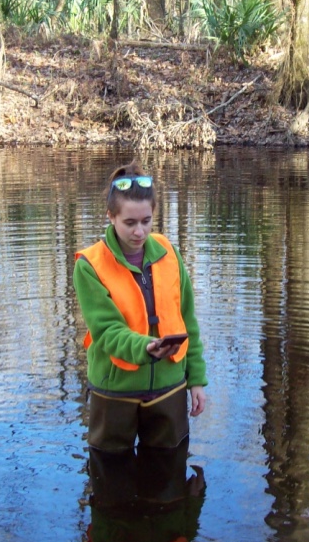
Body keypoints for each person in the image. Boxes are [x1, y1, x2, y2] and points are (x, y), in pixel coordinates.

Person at [73, 162, 208, 454]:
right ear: (111, 216)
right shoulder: (89, 265)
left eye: (146, 221)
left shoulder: (169, 252)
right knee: (109, 473)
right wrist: (146, 347)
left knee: (170, 471)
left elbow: (187, 319)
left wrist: (196, 380)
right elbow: (106, 331)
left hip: (169, 386)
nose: (139, 232)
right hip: (115, 390)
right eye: (130, 223)